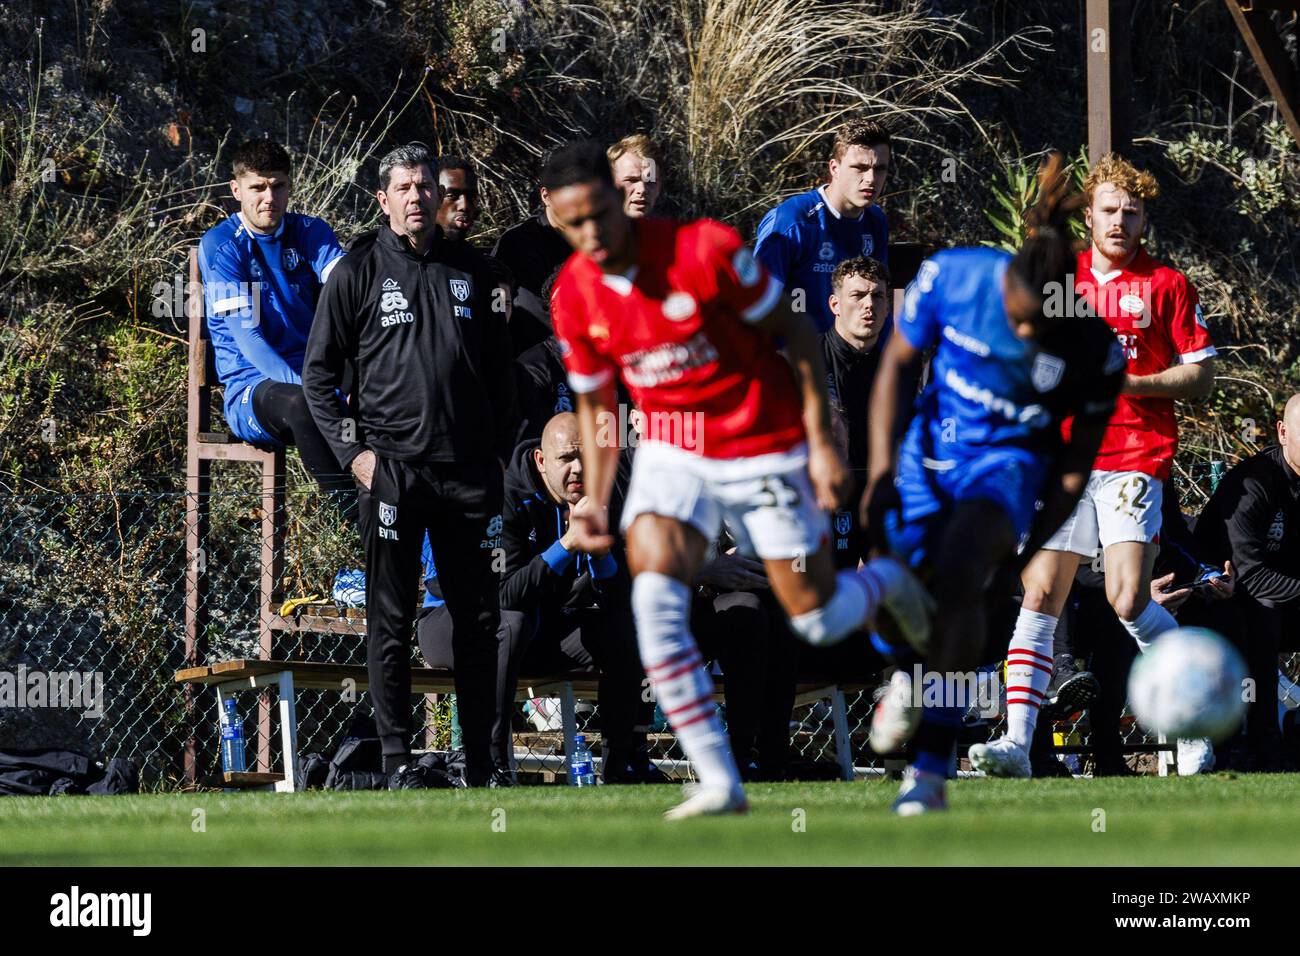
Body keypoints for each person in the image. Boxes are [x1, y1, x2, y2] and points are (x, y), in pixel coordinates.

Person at [543, 140, 932, 819]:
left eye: (598, 216)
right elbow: (598, 406)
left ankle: (889, 585)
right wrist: (595, 500)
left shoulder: (703, 250)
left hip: (758, 436)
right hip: (676, 444)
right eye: (573, 225)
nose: (591, 236)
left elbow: (798, 333)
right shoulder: (576, 295)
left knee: (813, 611)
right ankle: (720, 780)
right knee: (654, 598)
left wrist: (817, 436)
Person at [862, 154, 1127, 814]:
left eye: (1041, 325)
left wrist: (1022, 554)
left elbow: (1072, 471)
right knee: (897, 600)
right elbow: (895, 367)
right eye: (1018, 319)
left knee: (961, 580)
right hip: (927, 460)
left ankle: (928, 770)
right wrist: (876, 476)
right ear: (1005, 283)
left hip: (1007, 472)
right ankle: (903, 675)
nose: (1027, 333)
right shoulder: (950, 278)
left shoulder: (1095, 350)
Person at [972, 154, 1219, 779]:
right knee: (1041, 592)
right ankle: (1017, 744)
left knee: (1128, 597)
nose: (1119, 222)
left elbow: (1202, 375)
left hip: (1136, 454)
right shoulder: (1063, 279)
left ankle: (1192, 725)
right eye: (1108, 210)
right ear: (1090, 214)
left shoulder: (1166, 283)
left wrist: (1132, 380)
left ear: (1143, 221)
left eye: (1131, 213)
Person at [302, 144, 516, 789]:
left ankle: (481, 763)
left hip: (468, 476)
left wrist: (499, 454)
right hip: (393, 473)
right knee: (391, 621)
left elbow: (503, 375)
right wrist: (354, 454)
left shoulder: (474, 271)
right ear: (382, 199)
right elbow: (317, 379)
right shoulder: (357, 272)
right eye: (405, 187)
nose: (418, 196)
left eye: (426, 186)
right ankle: (398, 763)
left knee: (480, 621)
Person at [494, 412, 663, 783]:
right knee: (514, 622)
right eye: (566, 458)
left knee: (624, 629)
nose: (578, 469)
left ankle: (620, 765)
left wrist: (601, 553)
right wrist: (567, 544)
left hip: (559, 631)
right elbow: (507, 594)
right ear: (541, 461)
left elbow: (621, 599)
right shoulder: (511, 494)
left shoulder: (606, 494)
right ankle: (492, 763)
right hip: (506, 634)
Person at [197, 138, 354, 518]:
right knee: (302, 404)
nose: (269, 197)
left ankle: (428, 553)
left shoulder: (311, 231)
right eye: (258, 187)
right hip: (254, 388)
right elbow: (250, 341)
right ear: (236, 190)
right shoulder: (221, 245)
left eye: (278, 186)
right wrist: (320, 394)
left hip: (319, 376)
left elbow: (351, 294)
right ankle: (359, 528)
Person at [1194, 394, 1300, 771]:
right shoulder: (1254, 484)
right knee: (1261, 613)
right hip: (1223, 599)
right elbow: (1251, 575)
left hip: (1287, 598)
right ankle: (1258, 744)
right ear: (1283, 432)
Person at [754, 118, 891, 334]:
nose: (871, 179)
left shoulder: (876, 220)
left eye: (880, 169)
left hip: (850, 357)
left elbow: (880, 296)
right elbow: (758, 305)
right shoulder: (792, 220)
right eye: (860, 168)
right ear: (834, 168)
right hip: (794, 358)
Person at [491, 149, 579, 357]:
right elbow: (495, 302)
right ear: (546, 196)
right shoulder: (516, 243)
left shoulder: (595, 242)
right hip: (530, 365)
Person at [608, 134, 663, 218]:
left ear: (659, 187)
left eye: (650, 181)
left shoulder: (674, 230)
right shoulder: (587, 230)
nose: (642, 189)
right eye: (632, 180)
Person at [434, 155, 480, 244]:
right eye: (451, 196)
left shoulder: (472, 257)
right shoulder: (406, 254)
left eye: (471, 197)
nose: (464, 206)